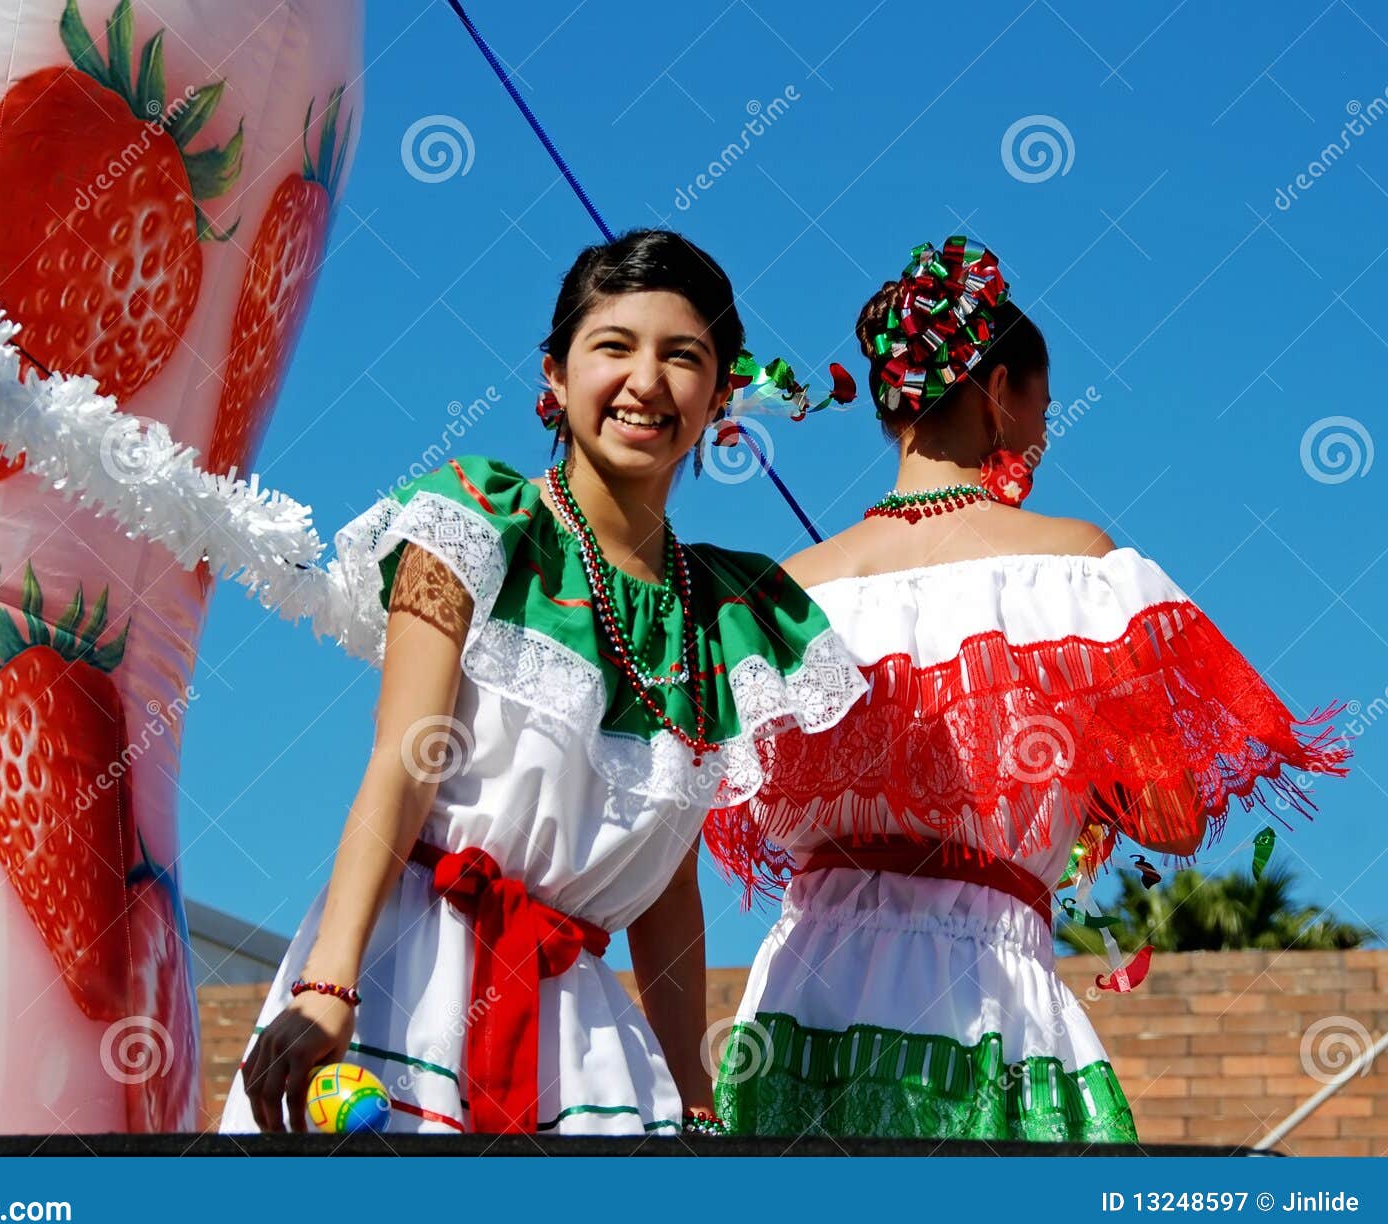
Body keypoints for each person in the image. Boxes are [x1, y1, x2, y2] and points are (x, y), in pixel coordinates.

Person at [218, 229, 867, 1136]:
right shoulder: (477, 519)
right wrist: (330, 982)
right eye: (614, 346)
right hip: (405, 980)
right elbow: (401, 762)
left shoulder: (731, 613)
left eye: (684, 357)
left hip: (583, 1036)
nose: (647, 381)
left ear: (722, 396)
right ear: (556, 376)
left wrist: (696, 1096)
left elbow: (669, 886)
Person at [703, 237, 1351, 1141]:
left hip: (803, 991)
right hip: (979, 986)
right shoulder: (1077, 569)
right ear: (996, 392)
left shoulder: (787, 590)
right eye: (1041, 406)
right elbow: (1170, 816)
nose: (1040, 433)